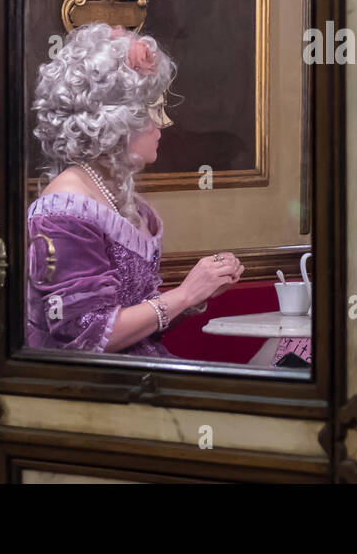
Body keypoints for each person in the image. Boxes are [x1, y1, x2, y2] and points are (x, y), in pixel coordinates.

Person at [25, 22, 242, 355]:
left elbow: (139, 316)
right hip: (91, 396)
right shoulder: (65, 208)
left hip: (135, 379)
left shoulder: (118, 199)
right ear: (115, 120)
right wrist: (184, 294)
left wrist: (197, 295)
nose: (164, 124)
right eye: (153, 109)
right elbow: (86, 338)